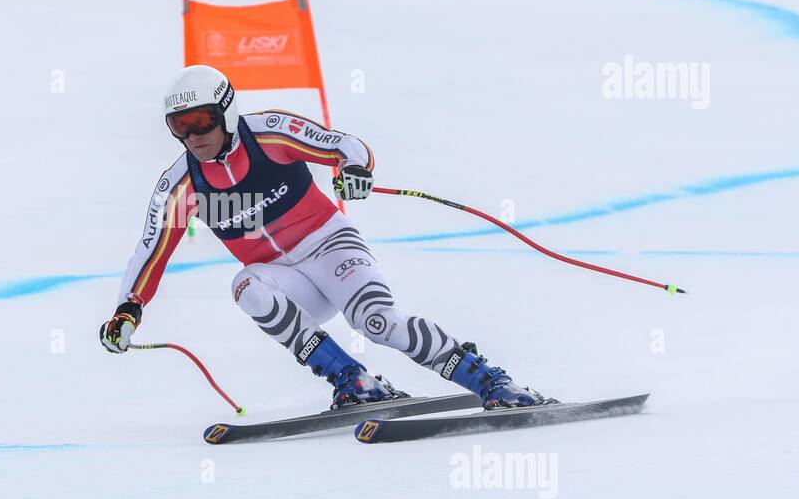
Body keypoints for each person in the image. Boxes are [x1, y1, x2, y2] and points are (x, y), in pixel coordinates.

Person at [99, 64, 549, 410]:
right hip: (283, 279)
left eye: (202, 120)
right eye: (180, 126)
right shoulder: (183, 184)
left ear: (227, 111)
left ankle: (492, 381)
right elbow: (151, 249)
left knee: (378, 324)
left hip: (330, 247)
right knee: (244, 287)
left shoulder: (269, 133)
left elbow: (344, 144)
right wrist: (127, 310)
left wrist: (355, 169)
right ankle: (352, 380)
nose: (194, 135)